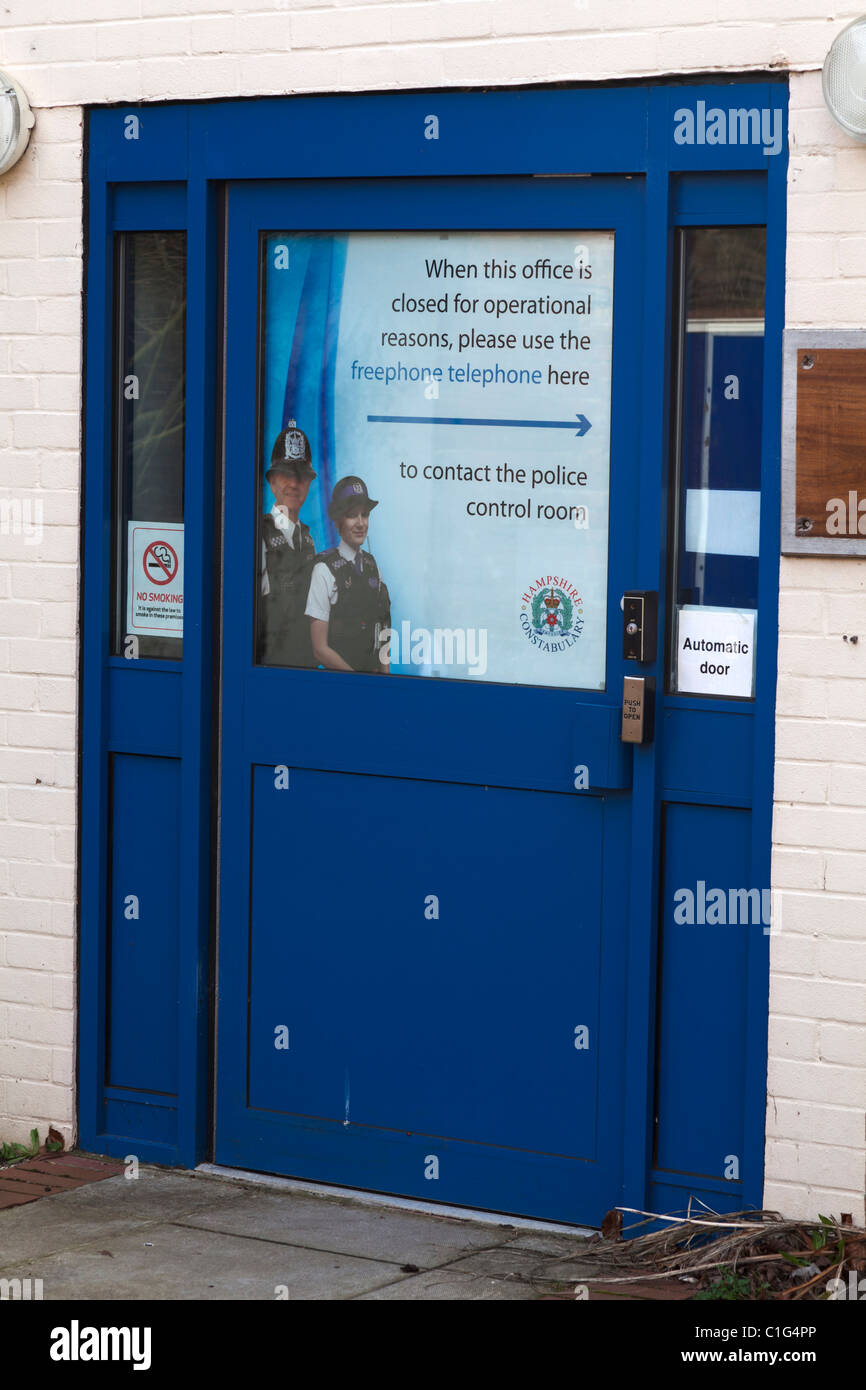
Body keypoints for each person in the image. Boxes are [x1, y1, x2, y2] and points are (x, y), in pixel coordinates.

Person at [306, 476, 391, 673]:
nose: (361, 523)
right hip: (340, 685)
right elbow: (320, 649)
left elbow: (383, 626)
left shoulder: (372, 565)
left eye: (365, 514)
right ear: (337, 520)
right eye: (352, 515)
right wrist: (358, 683)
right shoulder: (323, 570)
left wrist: (386, 678)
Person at [259, 419, 317, 667]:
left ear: (310, 484)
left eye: (301, 476)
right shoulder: (257, 537)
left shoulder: (308, 538)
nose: (294, 484)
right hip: (268, 671)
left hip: (305, 671)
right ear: (272, 482)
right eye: (285, 475)